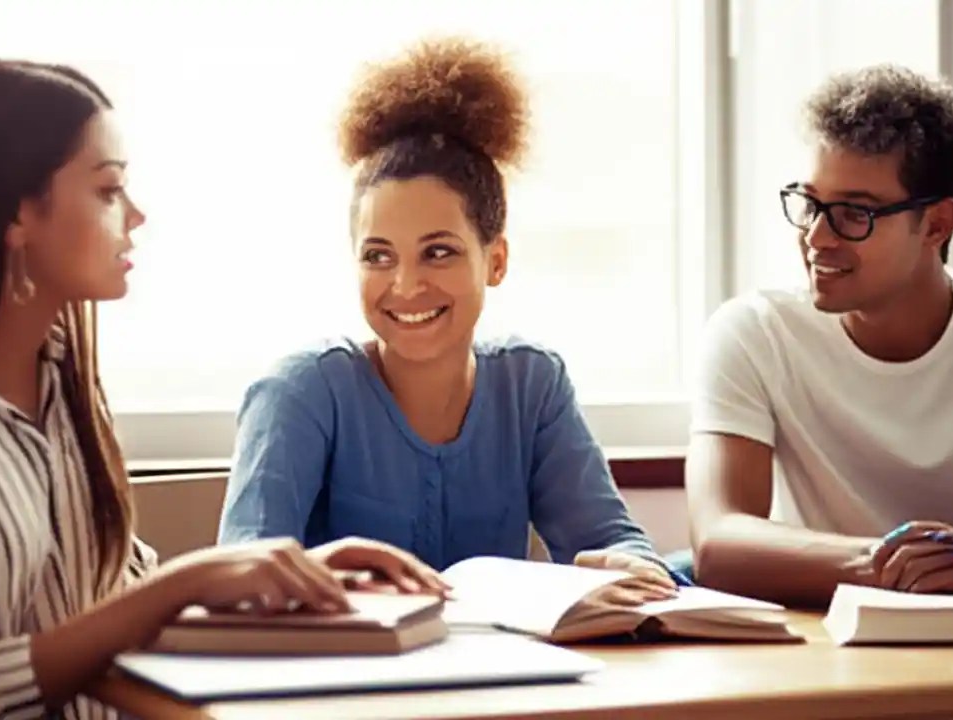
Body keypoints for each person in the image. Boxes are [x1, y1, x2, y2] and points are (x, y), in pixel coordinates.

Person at [0, 59, 444, 720]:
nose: (136, 215)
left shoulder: (59, 380)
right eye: (109, 189)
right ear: (17, 212)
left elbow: (122, 600)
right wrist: (191, 581)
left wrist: (290, 577)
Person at [217, 38, 675, 595]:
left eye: (438, 251)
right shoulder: (302, 391)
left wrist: (634, 565)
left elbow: (609, 538)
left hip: (502, 679)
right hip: (344, 676)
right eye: (378, 256)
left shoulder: (531, 385)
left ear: (496, 260)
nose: (405, 286)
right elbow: (240, 579)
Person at [685, 64, 953, 607]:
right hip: (827, 646)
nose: (816, 237)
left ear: (937, 225)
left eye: (854, 213)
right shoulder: (754, 333)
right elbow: (718, 540)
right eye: (810, 204)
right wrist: (891, 562)